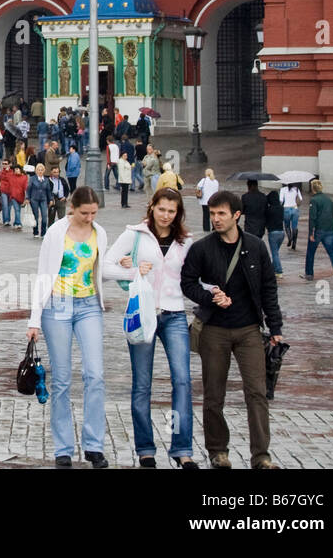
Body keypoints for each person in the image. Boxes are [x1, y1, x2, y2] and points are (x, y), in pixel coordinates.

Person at [180, 190, 284, 469]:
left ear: (236, 216)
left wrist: (275, 327)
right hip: (214, 330)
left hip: (249, 330)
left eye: (221, 214)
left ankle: (261, 455)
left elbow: (268, 288)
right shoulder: (202, 248)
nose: (215, 218)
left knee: (257, 392)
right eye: (212, 213)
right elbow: (187, 282)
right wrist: (210, 296)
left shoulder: (256, 246)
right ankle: (218, 451)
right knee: (214, 394)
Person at [102, 188, 197, 468]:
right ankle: (145, 449)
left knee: (182, 381)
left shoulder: (187, 241)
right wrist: (132, 272)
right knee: (142, 385)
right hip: (143, 314)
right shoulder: (134, 234)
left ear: (178, 213)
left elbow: (194, 277)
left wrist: (213, 290)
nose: (166, 216)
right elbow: (105, 268)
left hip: (175, 315)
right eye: (162, 209)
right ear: (152, 207)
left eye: (172, 211)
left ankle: (182, 449)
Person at [28, 187, 109, 468]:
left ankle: (94, 445)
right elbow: (43, 275)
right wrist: (34, 319)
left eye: (93, 213)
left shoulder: (100, 232)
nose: (88, 218)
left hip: (88, 306)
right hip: (57, 306)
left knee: (95, 374)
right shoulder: (55, 233)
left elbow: (101, 269)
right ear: (71, 207)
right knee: (62, 380)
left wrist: (131, 270)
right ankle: (63, 448)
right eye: (84, 213)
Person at [303, 179, 333, 282]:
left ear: (313, 189)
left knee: (310, 252)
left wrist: (311, 233)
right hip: (329, 229)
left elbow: (312, 218)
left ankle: (309, 274)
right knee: (331, 251)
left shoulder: (314, 200)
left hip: (318, 230)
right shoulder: (329, 199)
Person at [263, 186, 286, 280]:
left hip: (273, 233)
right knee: (275, 252)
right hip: (281, 232)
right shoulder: (281, 208)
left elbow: (266, 219)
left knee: (274, 253)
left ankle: (279, 271)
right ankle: (272, 269)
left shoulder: (269, 209)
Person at [27, 163, 53, 236]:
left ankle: (43, 232)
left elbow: (48, 190)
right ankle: (35, 231)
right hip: (34, 199)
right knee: (36, 216)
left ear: (44, 171)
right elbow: (28, 189)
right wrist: (27, 198)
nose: (40, 171)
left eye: (42, 170)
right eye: (38, 170)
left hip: (43, 199)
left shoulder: (46, 180)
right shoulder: (32, 179)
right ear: (36, 171)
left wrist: (50, 199)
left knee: (44, 216)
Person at [280, 181, 303, 250]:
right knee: (294, 227)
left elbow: (280, 200)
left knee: (287, 226)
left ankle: (290, 238)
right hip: (295, 209)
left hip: (286, 209)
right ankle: (294, 243)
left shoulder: (283, 189)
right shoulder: (296, 189)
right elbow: (301, 199)